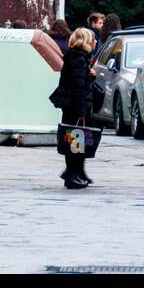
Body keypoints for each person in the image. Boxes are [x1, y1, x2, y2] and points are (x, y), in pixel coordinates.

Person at [51, 27, 96, 189]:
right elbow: (78, 87)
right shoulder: (78, 59)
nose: (95, 41)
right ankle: (72, 173)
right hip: (76, 107)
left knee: (77, 141)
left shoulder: (77, 57)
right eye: (92, 39)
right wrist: (82, 110)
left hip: (73, 105)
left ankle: (75, 172)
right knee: (76, 142)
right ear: (85, 41)